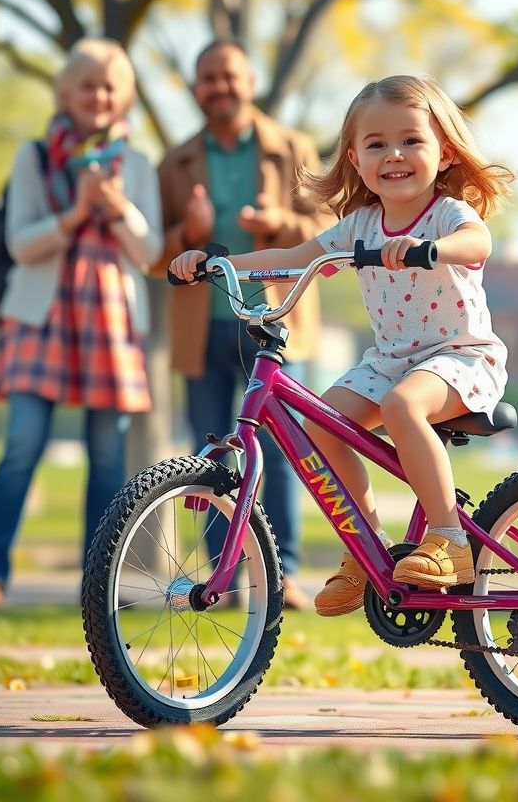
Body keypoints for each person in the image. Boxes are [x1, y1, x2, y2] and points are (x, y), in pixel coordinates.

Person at [169, 74, 514, 617]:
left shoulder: (446, 214)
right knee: (320, 425)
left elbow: (478, 240)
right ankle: (366, 546)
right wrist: (218, 264)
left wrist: (427, 248)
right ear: (354, 158)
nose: (393, 154)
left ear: (445, 152)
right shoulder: (360, 226)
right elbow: (294, 258)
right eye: (376, 144)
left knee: (402, 406)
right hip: (392, 363)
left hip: (461, 356)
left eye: (411, 140)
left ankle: (449, 537)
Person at [0, 39, 163, 609]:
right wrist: (75, 214)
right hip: (40, 319)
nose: (98, 96)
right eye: (86, 85)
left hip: (111, 322)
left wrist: (117, 208)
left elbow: (150, 252)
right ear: (66, 92)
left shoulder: (137, 165)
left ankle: (93, 588)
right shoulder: (34, 157)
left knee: (107, 460)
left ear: (122, 95)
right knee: (21, 445)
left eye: (108, 86)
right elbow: (20, 244)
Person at [154, 41, 328, 610]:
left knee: (282, 451)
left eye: (228, 76)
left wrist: (280, 222)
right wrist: (188, 232)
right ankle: (223, 579)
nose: (219, 87)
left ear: (250, 81)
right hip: (201, 325)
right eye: (208, 78)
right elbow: (155, 255)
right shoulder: (175, 163)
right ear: (196, 89)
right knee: (210, 457)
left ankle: (284, 575)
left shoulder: (293, 149)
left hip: (274, 324)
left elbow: (331, 225)